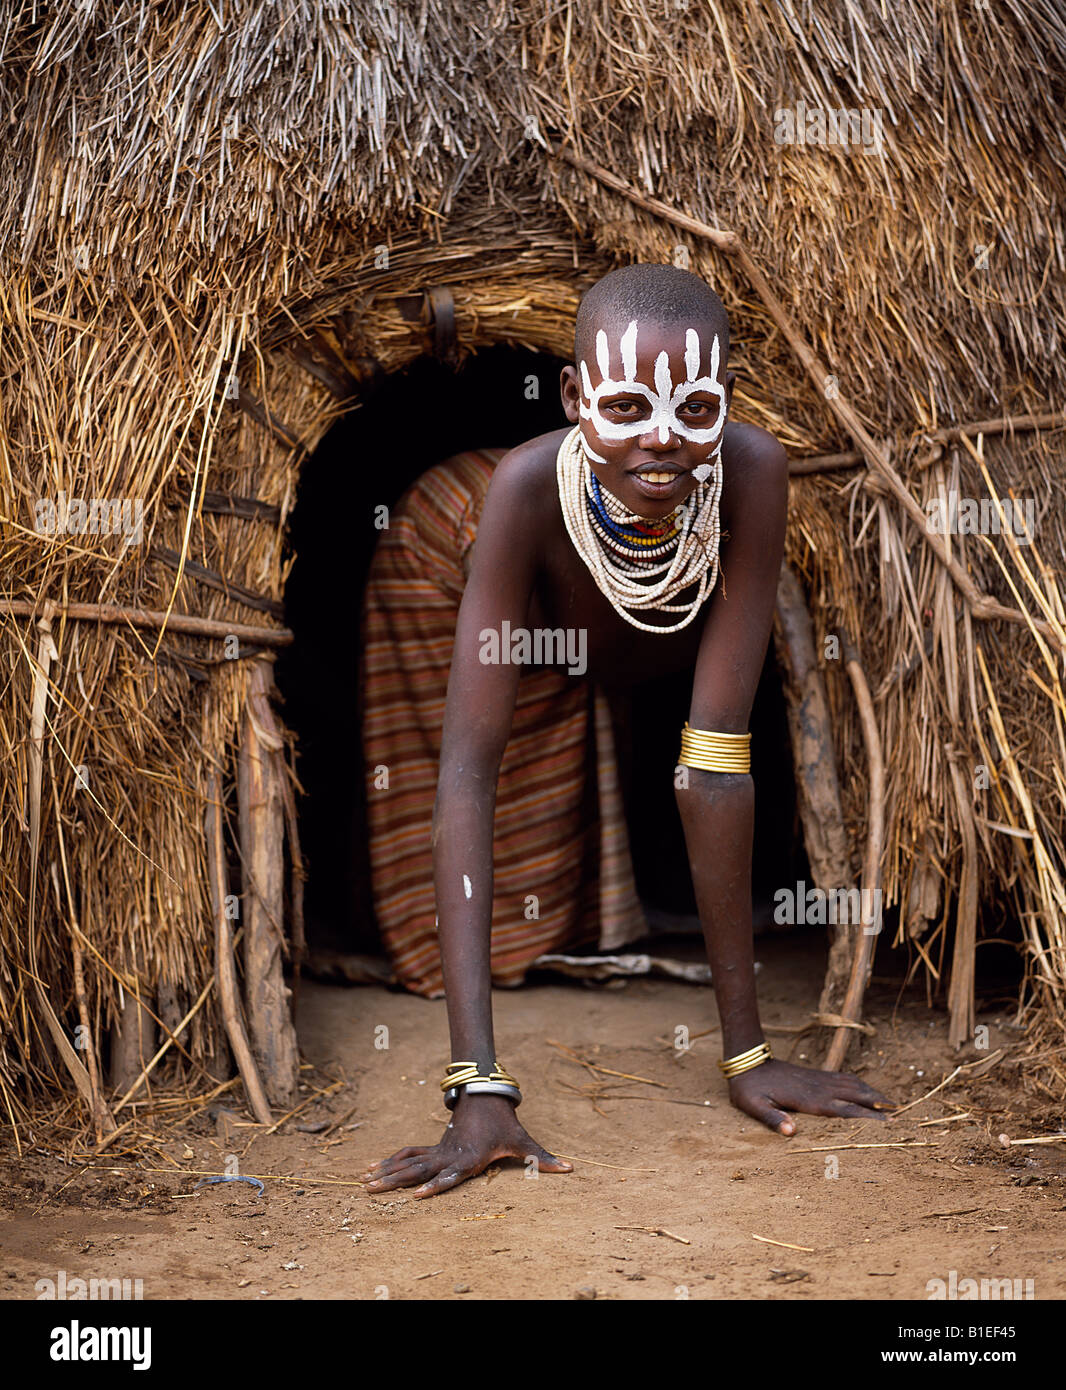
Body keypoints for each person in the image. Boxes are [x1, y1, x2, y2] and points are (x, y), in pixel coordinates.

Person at [363, 263, 890, 1199]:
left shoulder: (751, 473)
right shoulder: (525, 490)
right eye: (626, 404)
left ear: (726, 402)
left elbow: (715, 757)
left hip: (612, 644)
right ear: (573, 397)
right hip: (444, 552)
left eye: (694, 409)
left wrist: (747, 1057)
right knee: (497, 757)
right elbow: (466, 773)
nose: (661, 438)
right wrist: (476, 1090)